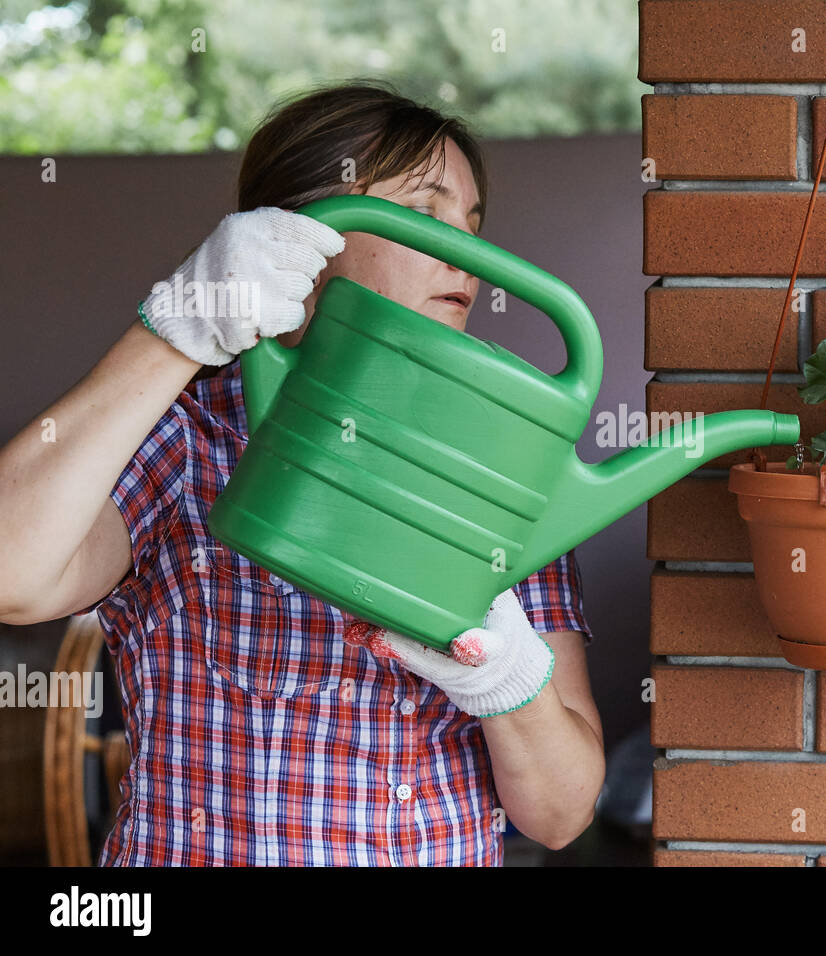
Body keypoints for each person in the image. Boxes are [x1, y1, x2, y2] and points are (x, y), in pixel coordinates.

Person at [0, 79, 605, 866]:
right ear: (300, 233)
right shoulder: (191, 436)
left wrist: (509, 682)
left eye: (472, 225)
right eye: (425, 213)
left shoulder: (507, 470)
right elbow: (12, 575)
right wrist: (178, 329)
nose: (471, 253)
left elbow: (561, 817)